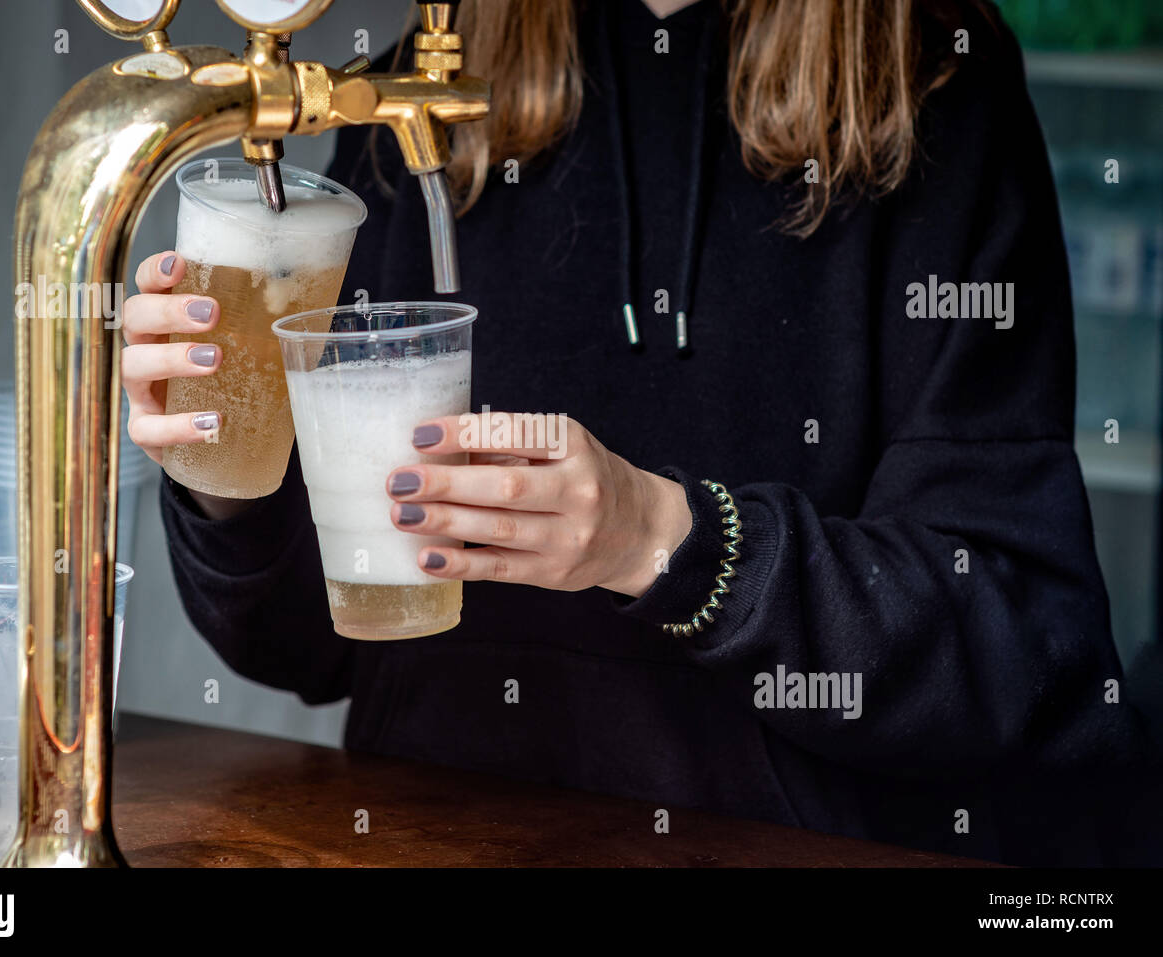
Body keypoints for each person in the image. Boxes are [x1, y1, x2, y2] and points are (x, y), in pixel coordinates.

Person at [120, 0, 1159, 864]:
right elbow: (312, 646)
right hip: (439, 843)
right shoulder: (417, 104)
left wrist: (662, 541)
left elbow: (1021, 649)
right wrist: (226, 470)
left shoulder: (928, 90)